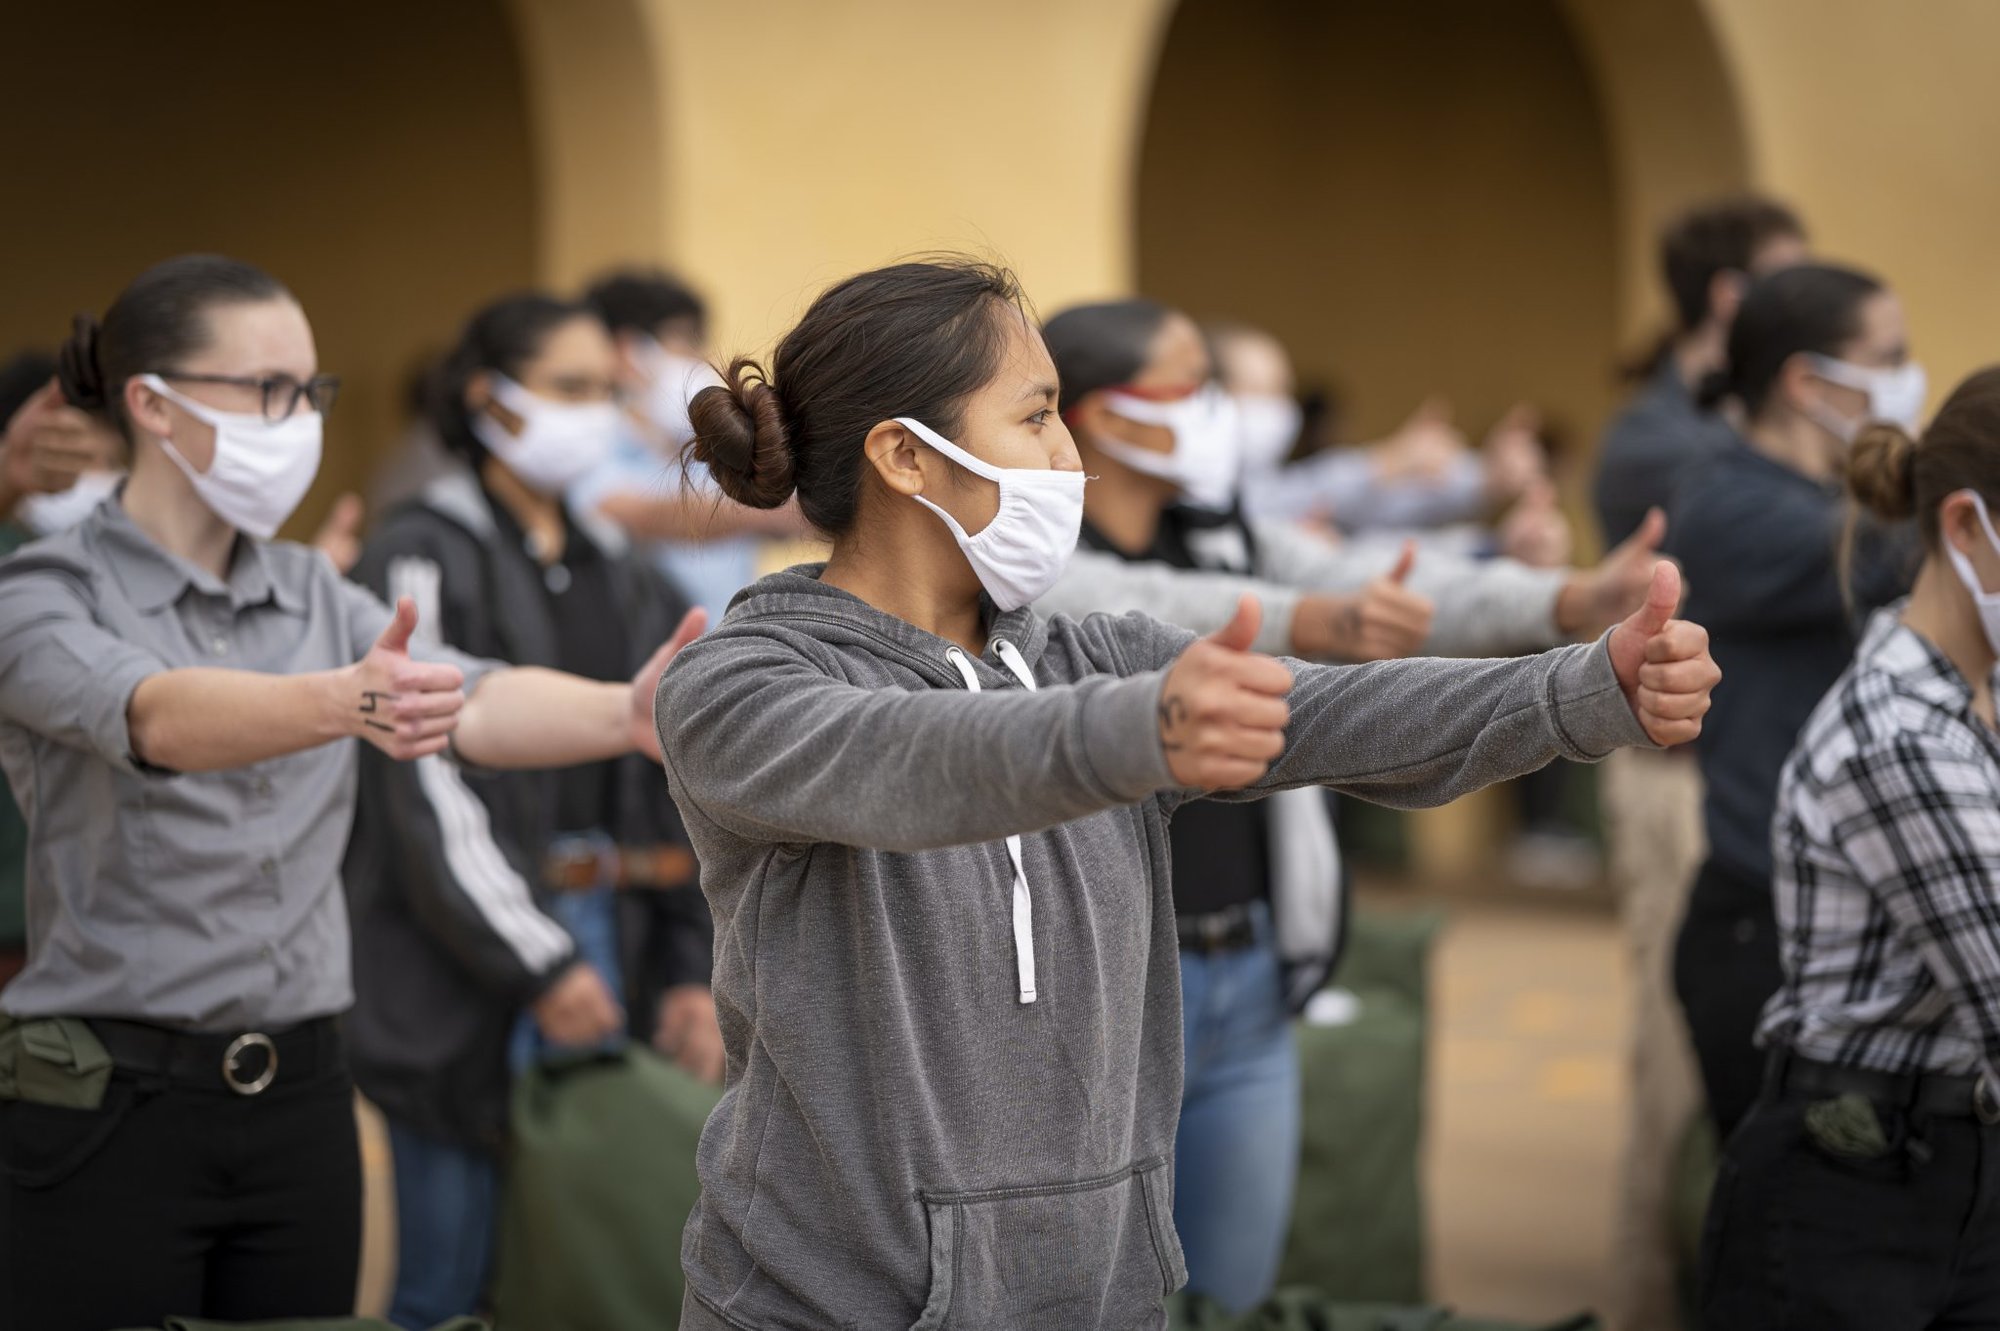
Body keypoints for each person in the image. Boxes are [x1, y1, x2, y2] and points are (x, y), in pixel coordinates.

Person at [652, 257, 1720, 1330]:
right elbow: (914, 755)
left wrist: (1585, 685)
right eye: (1035, 417)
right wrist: (1144, 727)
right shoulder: (738, 684)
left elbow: (1334, 714)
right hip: (818, 1305)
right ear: (902, 455)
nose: (1070, 456)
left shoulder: (1093, 652)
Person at [0, 254, 697, 1331]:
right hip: (109, 1101)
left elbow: (466, 696)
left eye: (308, 391)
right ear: (151, 403)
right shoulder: (44, 590)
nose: (297, 419)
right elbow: (153, 715)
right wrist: (344, 700)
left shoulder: (314, 588)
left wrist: (620, 713)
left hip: (305, 1097)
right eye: (266, 390)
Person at [1036, 296, 1660, 1308]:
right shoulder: (1037, 565)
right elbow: (1149, 614)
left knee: (1231, 1297)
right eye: (1191, 385)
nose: (1220, 410)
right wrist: (1315, 622)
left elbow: (1382, 579)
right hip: (1110, 990)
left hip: (1243, 973)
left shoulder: (1228, 531)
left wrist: (1567, 602)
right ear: (1102, 415)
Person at [342, 292, 723, 1329]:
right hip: (468, 963)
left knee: (593, 1275)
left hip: (627, 943)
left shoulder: (623, 564)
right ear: (489, 397)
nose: (595, 413)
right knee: (450, 1289)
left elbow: (665, 764)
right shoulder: (421, 547)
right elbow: (420, 784)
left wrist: (691, 967)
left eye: (605, 390)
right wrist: (540, 961)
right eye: (568, 388)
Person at [1699, 368, 2000, 1328]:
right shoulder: (1902, 735)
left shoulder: (1974, 699)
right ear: (1965, 527)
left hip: (1953, 1170)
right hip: (1859, 1193)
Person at [1590, 193, 1805, 1331]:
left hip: (1733, 769)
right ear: (1731, 297)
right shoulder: (1670, 447)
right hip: (1673, 775)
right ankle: (1646, 1295)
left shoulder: (1713, 429)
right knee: (1674, 1062)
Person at [1666, 261, 1920, 1148]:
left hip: (1841, 920)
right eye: (1888, 358)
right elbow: (1891, 551)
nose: (1905, 377)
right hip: (1764, 928)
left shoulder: (1826, 494)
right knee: (1797, 1227)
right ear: (1806, 382)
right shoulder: (1729, 505)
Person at [570, 269, 805, 621]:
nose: (700, 357)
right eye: (684, 341)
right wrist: (766, 508)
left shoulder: (709, 446)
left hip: (728, 644)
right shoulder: (591, 439)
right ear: (626, 351)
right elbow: (628, 514)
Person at [1212, 321, 1546, 535]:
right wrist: (1385, 462)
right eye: (1265, 392)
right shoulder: (1197, 493)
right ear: (1210, 398)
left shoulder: (1270, 479)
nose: (1281, 411)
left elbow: (1374, 512)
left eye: (1284, 393)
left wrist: (1481, 480)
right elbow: (1285, 501)